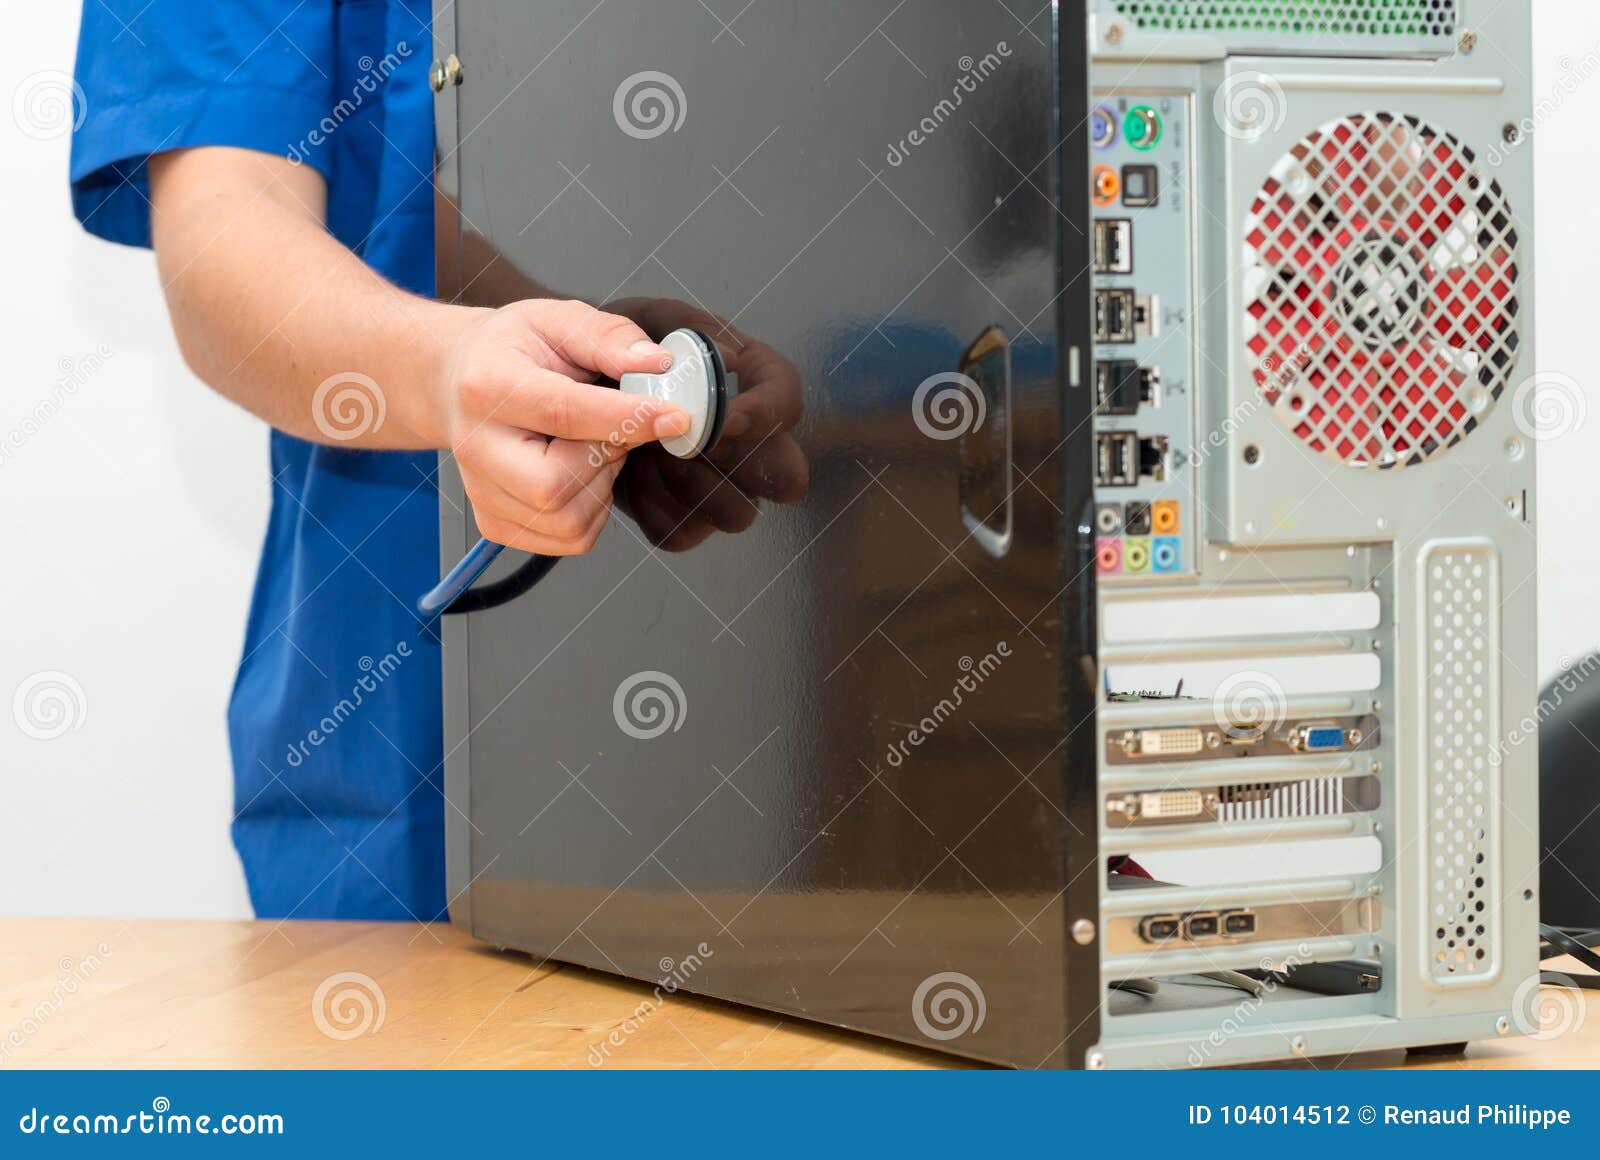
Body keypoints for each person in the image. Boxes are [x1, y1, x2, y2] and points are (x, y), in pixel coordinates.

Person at [69, 3, 695, 920]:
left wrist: (664, 355)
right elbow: (225, 233)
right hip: (404, 752)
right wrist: (458, 372)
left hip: (772, 761)